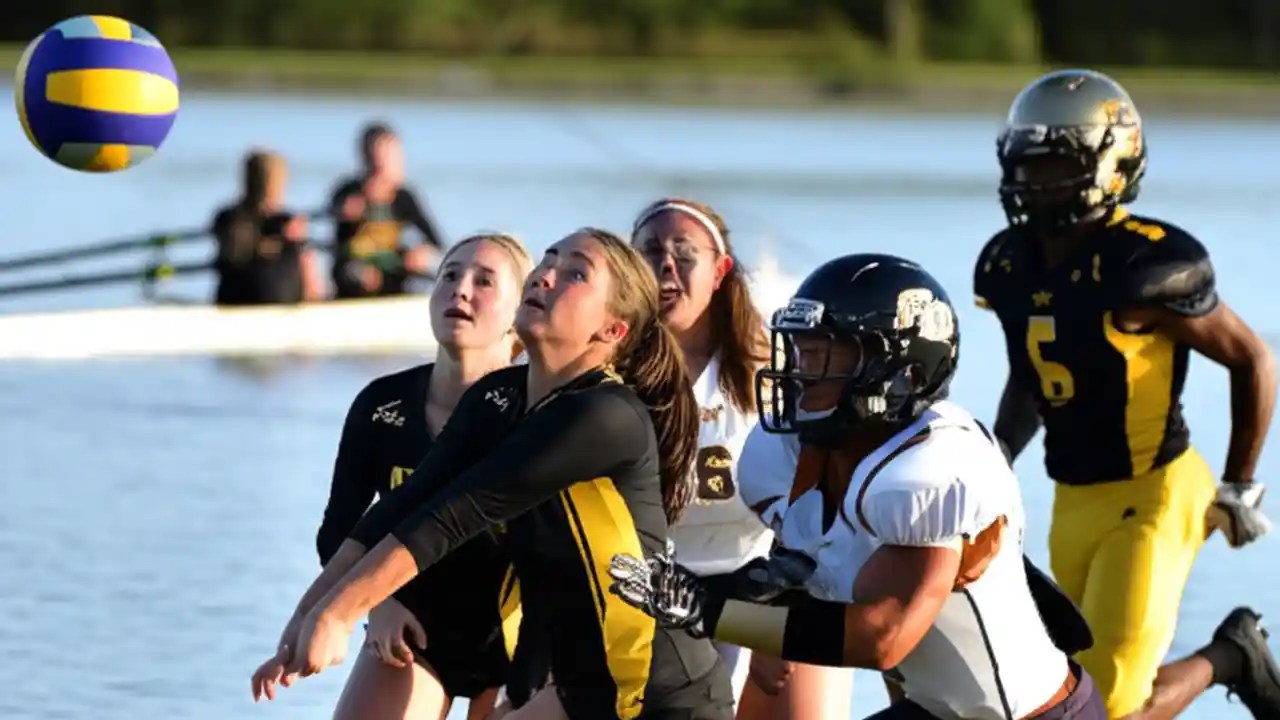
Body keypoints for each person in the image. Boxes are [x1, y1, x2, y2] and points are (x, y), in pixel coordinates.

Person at [251, 228, 736, 720]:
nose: (545, 275)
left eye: (575, 274)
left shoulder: (604, 415)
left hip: (663, 696)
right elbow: (409, 501)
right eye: (549, 259)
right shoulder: (497, 397)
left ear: (612, 331)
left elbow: (459, 512)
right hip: (582, 691)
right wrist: (308, 615)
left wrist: (340, 612)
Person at [609, 253, 1114, 719]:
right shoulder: (789, 453)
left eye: (823, 356)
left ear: (897, 368)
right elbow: (800, 571)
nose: (799, 374)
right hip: (935, 709)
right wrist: (703, 588)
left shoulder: (934, 464)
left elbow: (883, 636)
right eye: (800, 353)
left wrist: (708, 610)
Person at [975, 68, 1280, 718]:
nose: (1033, 183)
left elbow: (1253, 358)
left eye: (1052, 165)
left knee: (1109, 705)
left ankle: (1230, 657)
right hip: (1074, 498)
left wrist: (1238, 483)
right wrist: (994, 455)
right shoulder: (1010, 261)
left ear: (1111, 163)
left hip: (1156, 494)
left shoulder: (1142, 267)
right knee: (1064, 690)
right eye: (1026, 167)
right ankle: (1234, 652)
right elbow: (1033, 373)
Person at [630, 197, 854, 720]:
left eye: (684, 253)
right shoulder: (609, 369)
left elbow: (820, 507)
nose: (665, 264)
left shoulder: (771, 375)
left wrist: (778, 618)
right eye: (648, 251)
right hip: (643, 591)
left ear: (720, 270)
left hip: (756, 584)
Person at [316, 233, 532, 720]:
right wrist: (379, 605)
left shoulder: (536, 410)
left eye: (484, 281)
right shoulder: (381, 404)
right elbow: (338, 531)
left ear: (520, 312)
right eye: (449, 275)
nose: (460, 290)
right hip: (412, 630)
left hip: (518, 638)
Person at [329, 122, 447, 299]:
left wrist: (421, 253)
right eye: (375, 157)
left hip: (393, 269)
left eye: (387, 157)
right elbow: (337, 244)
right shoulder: (348, 193)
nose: (380, 165)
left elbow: (436, 241)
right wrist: (347, 217)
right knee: (356, 274)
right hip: (355, 270)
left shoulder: (403, 197)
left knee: (429, 276)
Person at [210, 149, 324, 305]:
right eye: (265, 178)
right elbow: (236, 252)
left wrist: (300, 241)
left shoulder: (289, 221)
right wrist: (277, 240)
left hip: (288, 312)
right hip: (239, 307)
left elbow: (312, 281)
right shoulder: (231, 219)